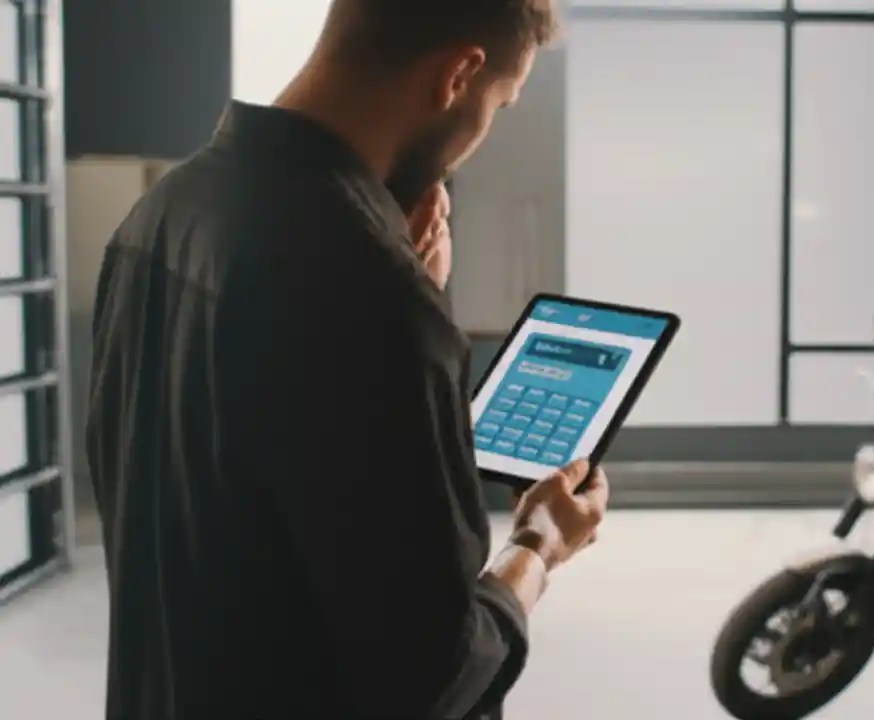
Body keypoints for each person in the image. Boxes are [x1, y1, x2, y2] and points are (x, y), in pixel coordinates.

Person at [85, 1, 608, 718]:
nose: (484, 133)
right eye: (500, 103)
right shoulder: (375, 293)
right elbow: (435, 675)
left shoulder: (164, 212)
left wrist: (404, 289)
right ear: (459, 75)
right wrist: (537, 544)